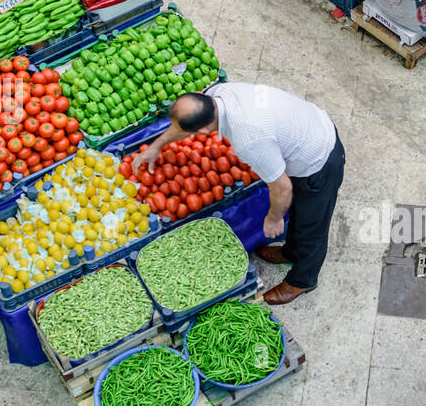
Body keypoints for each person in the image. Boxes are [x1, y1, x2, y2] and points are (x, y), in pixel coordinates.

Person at [133, 85, 345, 306]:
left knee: (312, 224)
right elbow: (184, 124)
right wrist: (156, 146)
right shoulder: (219, 94)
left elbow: (282, 187)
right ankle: (290, 252)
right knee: (299, 212)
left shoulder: (249, 138)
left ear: (203, 132)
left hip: (319, 157)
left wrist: (273, 218)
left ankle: (303, 280)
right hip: (303, 128)